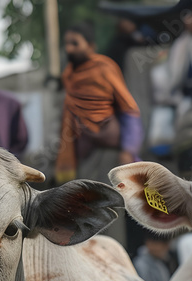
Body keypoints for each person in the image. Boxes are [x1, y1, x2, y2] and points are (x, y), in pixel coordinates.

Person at [57, 21, 143, 248]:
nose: (70, 48)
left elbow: (130, 110)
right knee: (85, 218)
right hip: (85, 159)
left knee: (111, 217)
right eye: (67, 44)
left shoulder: (105, 68)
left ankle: (115, 270)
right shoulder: (69, 76)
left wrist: (128, 149)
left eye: (75, 43)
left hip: (110, 156)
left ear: (91, 46)